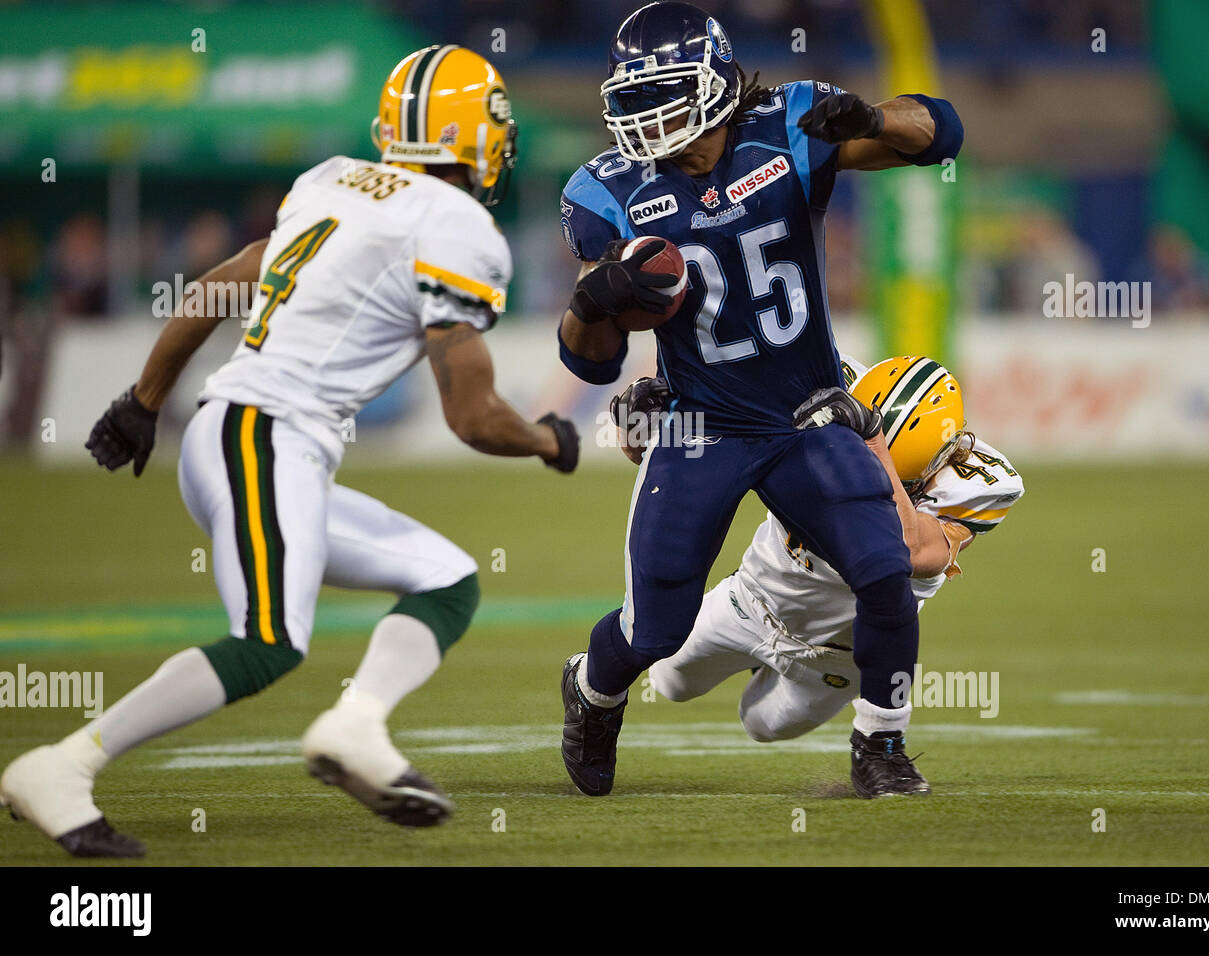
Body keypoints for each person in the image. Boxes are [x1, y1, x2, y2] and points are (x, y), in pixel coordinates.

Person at [0, 45, 578, 858]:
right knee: (267, 641)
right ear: (474, 134)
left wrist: (143, 400)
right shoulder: (459, 228)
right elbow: (474, 418)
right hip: (264, 435)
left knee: (445, 578)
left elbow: (217, 287)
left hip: (250, 438)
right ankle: (63, 766)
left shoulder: (333, 179)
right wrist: (547, 439)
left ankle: (356, 725)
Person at [555, 2, 964, 797]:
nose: (644, 116)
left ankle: (880, 746)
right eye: (632, 98)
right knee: (655, 630)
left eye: (662, 93)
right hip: (703, 424)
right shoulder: (605, 191)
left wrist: (874, 115)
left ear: (711, 81)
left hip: (808, 410)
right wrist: (594, 301)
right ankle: (591, 690)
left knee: (884, 573)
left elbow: (940, 133)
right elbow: (589, 362)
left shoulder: (789, 125)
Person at [640, 356, 1024, 773]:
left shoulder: (980, 483)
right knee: (668, 681)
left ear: (939, 461)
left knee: (760, 725)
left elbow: (911, 553)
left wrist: (875, 444)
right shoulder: (825, 382)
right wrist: (657, 416)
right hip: (754, 599)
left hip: (834, 659)